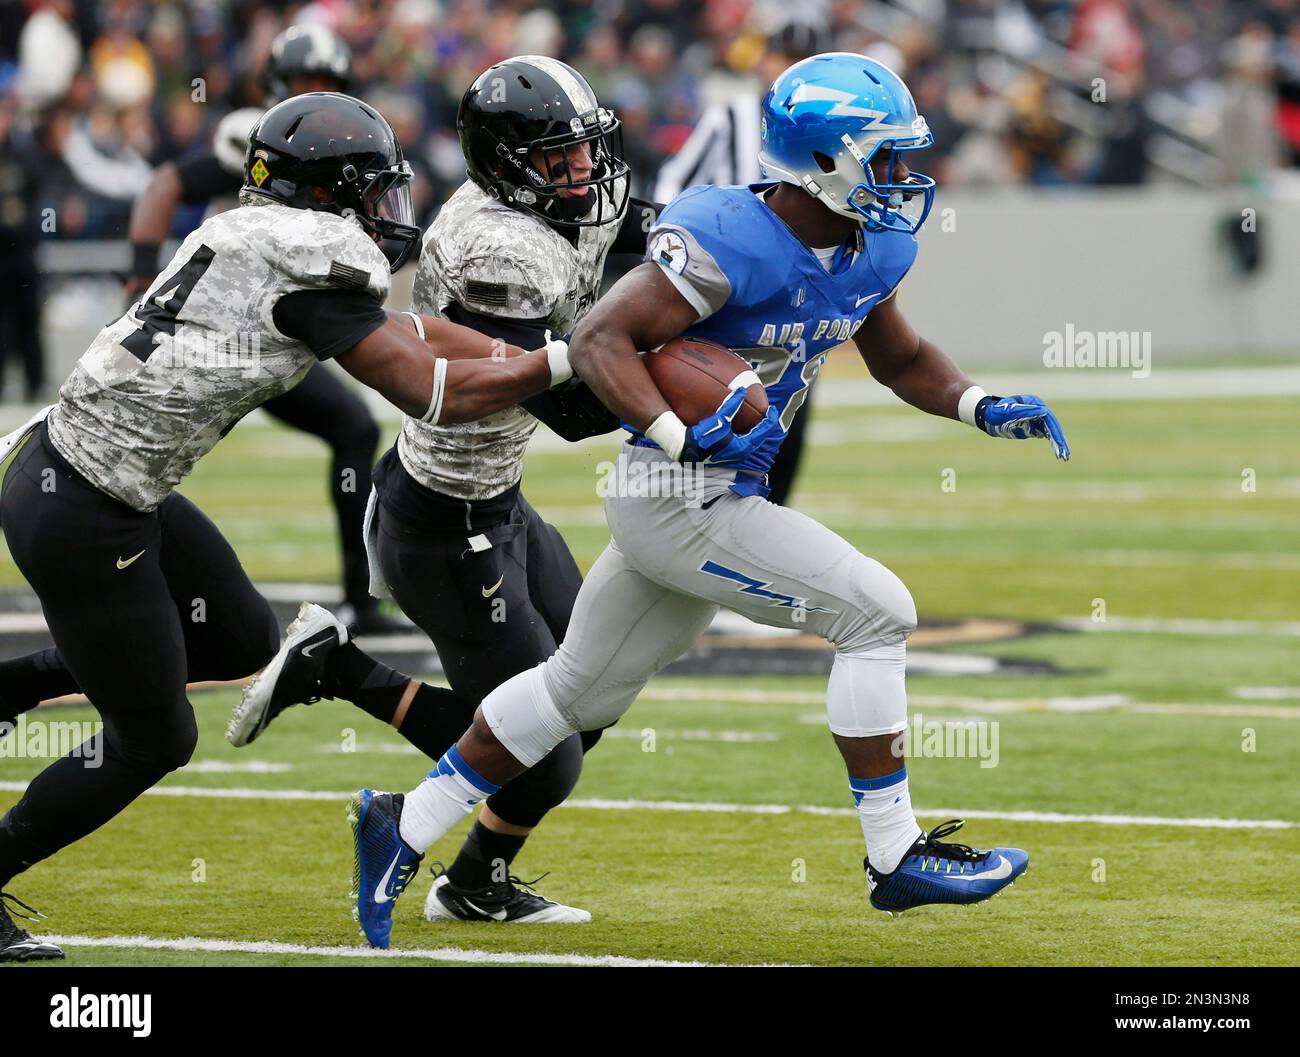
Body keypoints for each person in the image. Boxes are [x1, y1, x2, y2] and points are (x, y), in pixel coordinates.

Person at [346, 54, 1071, 948]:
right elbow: (604, 339)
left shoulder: (871, 243)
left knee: (576, 694)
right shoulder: (728, 234)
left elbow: (900, 357)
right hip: (678, 490)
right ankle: (895, 856)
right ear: (824, 158)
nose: (903, 178)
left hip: (719, 487)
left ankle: (400, 826)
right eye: (884, 158)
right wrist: (680, 433)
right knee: (879, 610)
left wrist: (977, 403)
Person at [0, 92, 573, 963]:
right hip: (83, 509)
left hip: (95, 477)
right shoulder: (315, 266)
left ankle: (11, 686)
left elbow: (414, 329)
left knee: (239, 637)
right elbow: (431, 390)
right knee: (155, 737)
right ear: (329, 195)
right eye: (373, 191)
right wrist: (562, 364)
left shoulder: (253, 236)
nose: (388, 209)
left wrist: (531, 348)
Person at [230, 56, 662, 927]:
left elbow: (644, 239)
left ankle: (473, 882)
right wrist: (676, 386)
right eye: (560, 158)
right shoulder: (499, 244)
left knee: (598, 690)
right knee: (543, 752)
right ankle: (338, 668)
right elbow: (572, 407)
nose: (584, 174)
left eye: (586, 153)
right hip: (443, 517)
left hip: (494, 498)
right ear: (508, 163)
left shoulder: (556, 202)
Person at [125, 23, 399, 632]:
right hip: (231, 334)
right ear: (277, 82)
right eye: (306, 82)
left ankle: (361, 597)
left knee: (353, 430)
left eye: (328, 83)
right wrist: (137, 277)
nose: (316, 93)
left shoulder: (343, 137)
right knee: (167, 443)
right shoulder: (267, 135)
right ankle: (131, 570)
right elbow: (165, 185)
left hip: (284, 328)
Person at [653, 18, 833, 507]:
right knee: (714, 394)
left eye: (805, 63)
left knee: (789, 413)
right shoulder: (732, 116)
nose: (791, 69)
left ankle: (766, 517)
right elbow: (672, 187)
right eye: (785, 58)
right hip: (727, 291)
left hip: (796, 294)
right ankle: (693, 512)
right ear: (767, 60)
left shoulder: (830, 132)